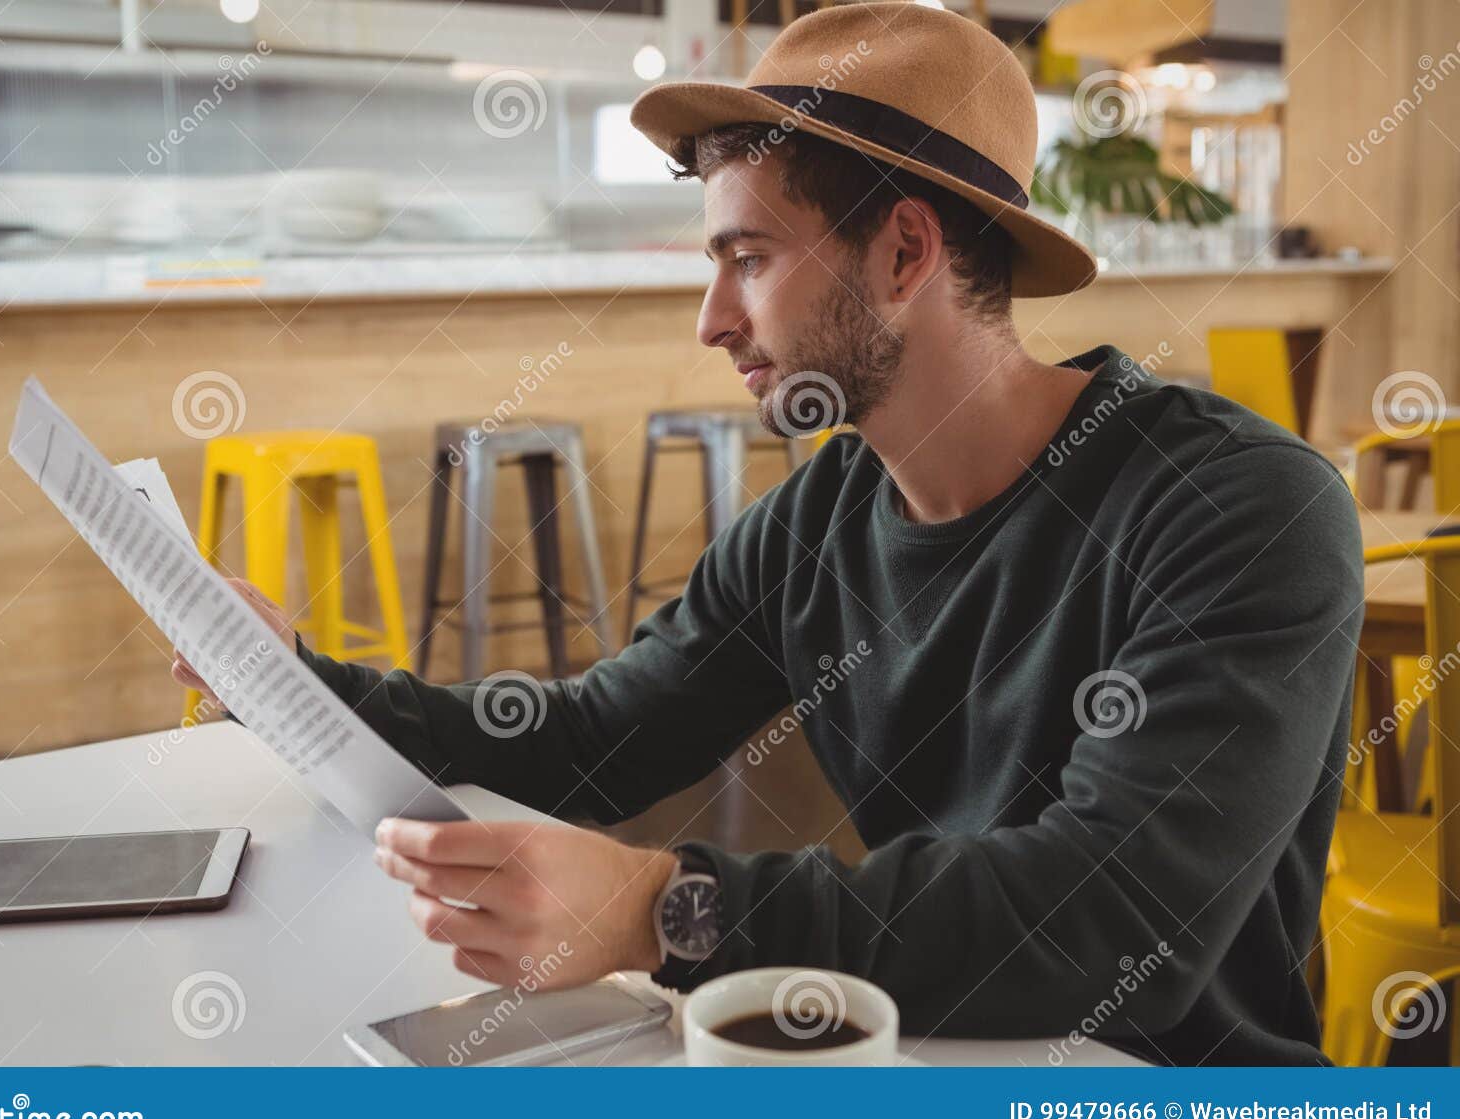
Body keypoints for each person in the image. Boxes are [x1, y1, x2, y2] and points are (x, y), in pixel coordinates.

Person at [174, 5, 1362, 1065]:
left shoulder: (1242, 511)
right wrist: (289, 681)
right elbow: (593, 740)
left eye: (748, 257)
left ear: (904, 253)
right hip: (922, 1052)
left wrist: (661, 908)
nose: (710, 319)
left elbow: (1103, 915)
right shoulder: (815, 524)